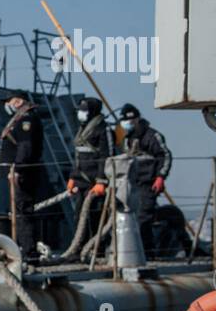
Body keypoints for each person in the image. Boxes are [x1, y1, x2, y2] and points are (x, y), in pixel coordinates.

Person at [118, 103, 172, 257]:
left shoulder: (152, 136)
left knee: (143, 217)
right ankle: (135, 251)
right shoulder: (127, 139)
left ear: (136, 119)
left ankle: (147, 253)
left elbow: (165, 155)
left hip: (148, 183)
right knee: (132, 217)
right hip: (131, 184)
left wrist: (161, 177)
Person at [0, 93, 44, 259]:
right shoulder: (17, 119)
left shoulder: (26, 119)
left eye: (8, 101)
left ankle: (28, 251)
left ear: (17, 101)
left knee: (23, 210)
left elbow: (26, 147)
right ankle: (23, 247)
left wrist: (18, 169)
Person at [67, 97, 113, 223]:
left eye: (84, 110)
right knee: (79, 218)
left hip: (94, 183)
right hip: (81, 181)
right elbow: (78, 156)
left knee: (95, 220)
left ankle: (99, 243)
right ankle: (81, 243)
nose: (80, 113)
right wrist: (73, 177)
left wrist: (101, 182)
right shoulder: (82, 129)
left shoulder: (103, 129)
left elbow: (106, 156)